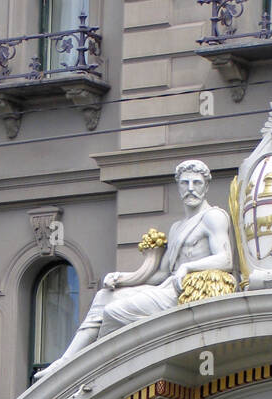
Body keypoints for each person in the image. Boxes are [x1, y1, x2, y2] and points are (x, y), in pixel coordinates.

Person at [40, 159, 233, 371]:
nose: (190, 189)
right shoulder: (177, 227)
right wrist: (122, 278)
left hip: (186, 290)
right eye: (185, 183)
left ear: (206, 186)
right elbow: (159, 274)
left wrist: (188, 268)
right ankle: (65, 361)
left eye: (196, 183)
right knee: (104, 297)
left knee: (114, 311)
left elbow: (226, 259)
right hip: (167, 287)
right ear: (178, 186)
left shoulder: (213, 217)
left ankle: (97, 366)